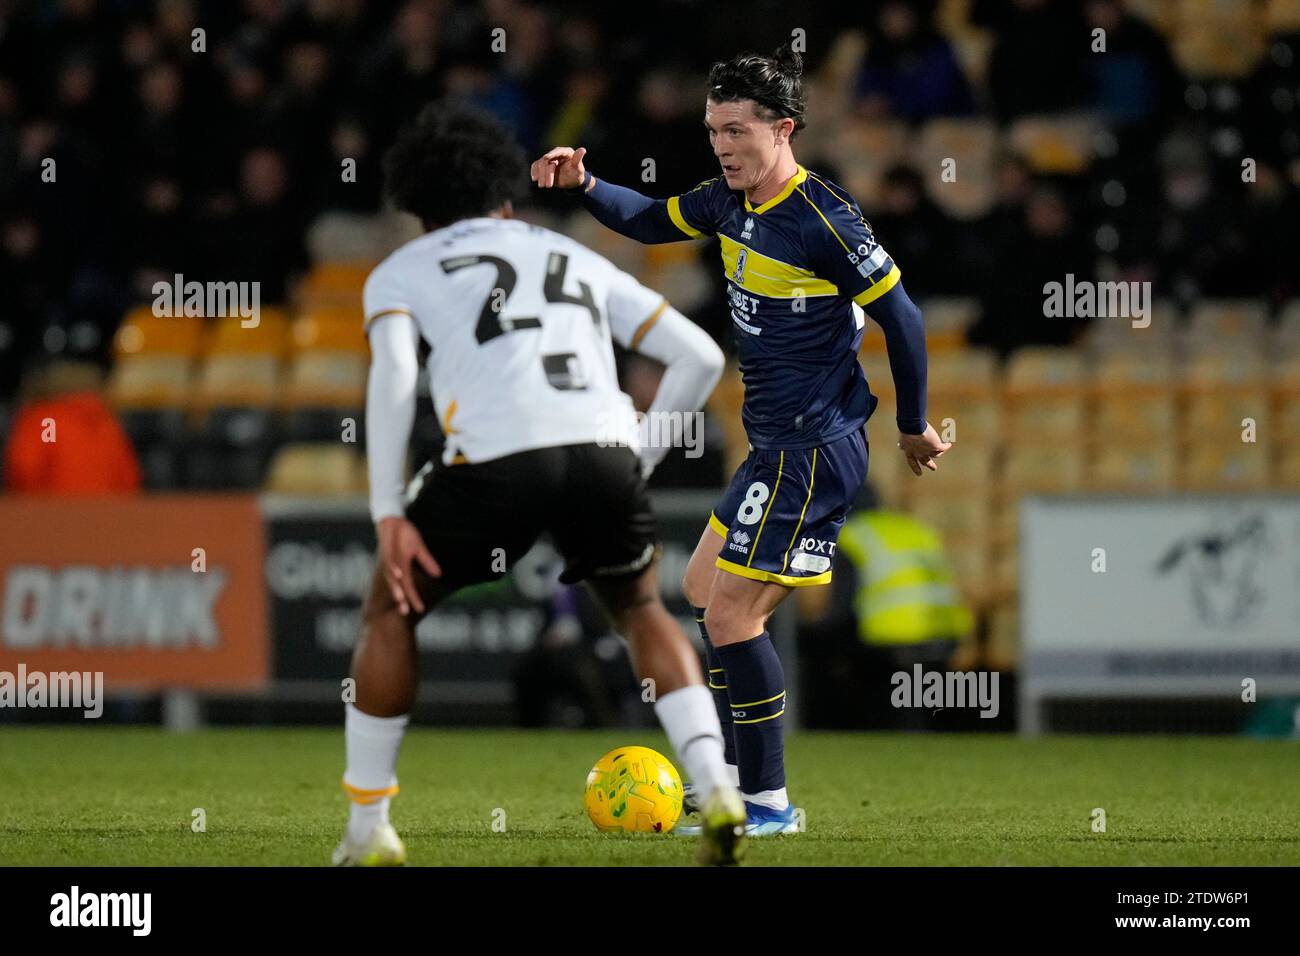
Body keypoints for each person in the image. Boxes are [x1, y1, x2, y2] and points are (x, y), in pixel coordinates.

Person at [532, 44, 948, 835]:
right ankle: (724, 776)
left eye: (735, 131)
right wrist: (584, 183)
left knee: (731, 619)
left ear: (782, 128)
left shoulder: (823, 216)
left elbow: (905, 318)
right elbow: (651, 219)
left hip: (816, 447)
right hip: (773, 446)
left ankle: (767, 803)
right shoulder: (729, 202)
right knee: (699, 590)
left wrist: (910, 423)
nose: (721, 145)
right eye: (713, 130)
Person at [337, 102, 747, 867]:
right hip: (602, 451)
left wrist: (388, 509)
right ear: (504, 193)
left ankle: (368, 830)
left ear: (417, 206)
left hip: (495, 458)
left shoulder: (403, 268)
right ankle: (717, 785)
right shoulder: (570, 254)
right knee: (637, 607)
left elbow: (395, 375)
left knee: (388, 613)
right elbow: (699, 356)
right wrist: (640, 455)